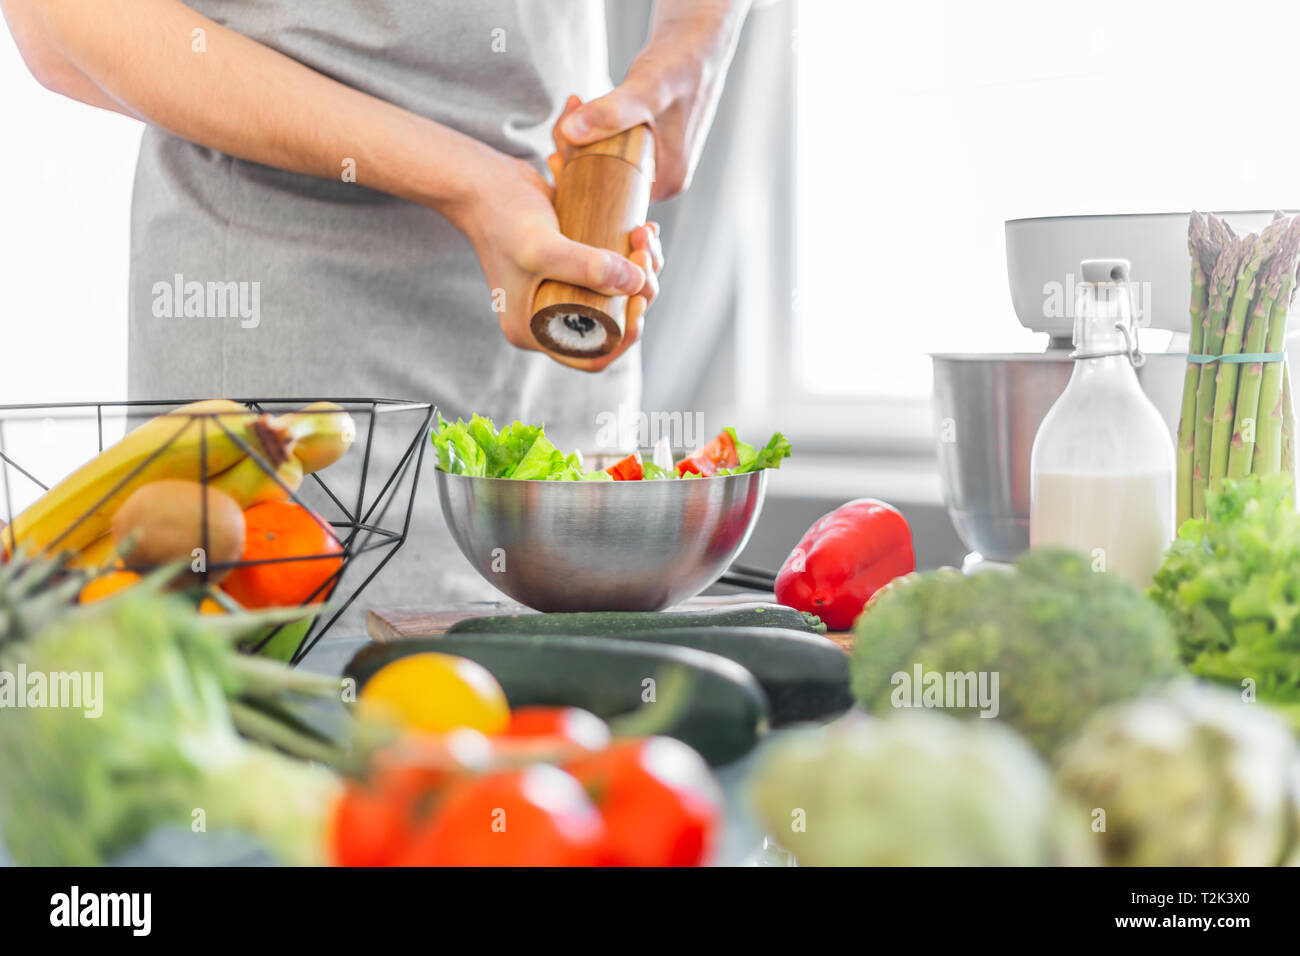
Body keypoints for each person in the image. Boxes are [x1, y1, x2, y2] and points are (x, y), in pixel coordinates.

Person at [1, 0, 751, 624]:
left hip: (553, 261)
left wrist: (696, 41)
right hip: (281, 315)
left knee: (560, 749)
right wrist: (469, 186)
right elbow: (61, 24)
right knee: (298, 737)